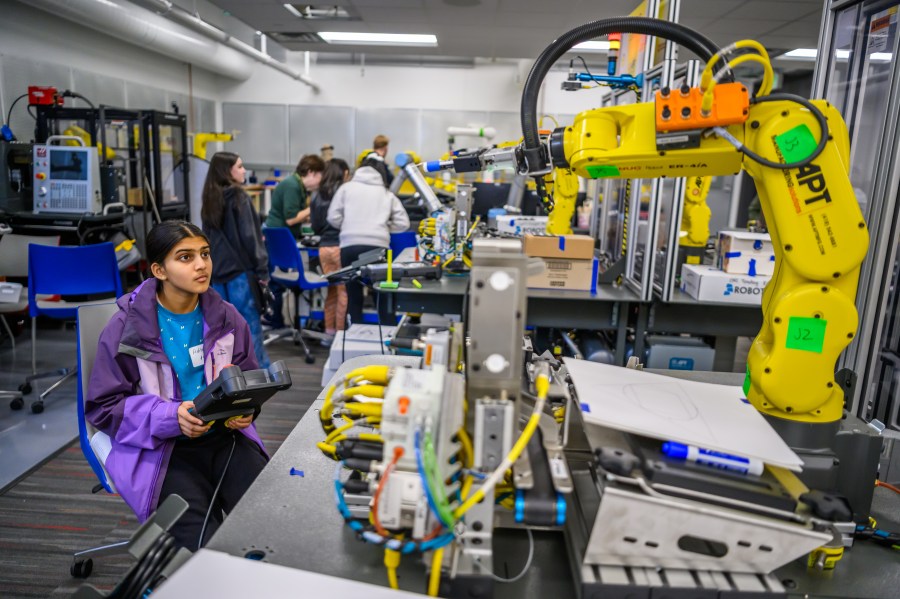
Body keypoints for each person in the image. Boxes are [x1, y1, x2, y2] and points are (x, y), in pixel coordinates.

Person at [85, 221, 269, 551]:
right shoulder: (125, 329)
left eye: (205, 254)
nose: (201, 265)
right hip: (161, 449)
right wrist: (171, 417)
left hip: (224, 437)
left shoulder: (228, 318)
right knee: (205, 548)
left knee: (270, 525)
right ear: (159, 270)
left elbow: (248, 375)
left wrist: (246, 409)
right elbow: (104, 407)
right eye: (185, 257)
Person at [201, 151, 270, 368]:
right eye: (239, 166)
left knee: (224, 332)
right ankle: (260, 375)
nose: (244, 171)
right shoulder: (239, 197)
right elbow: (251, 239)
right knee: (250, 329)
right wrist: (263, 271)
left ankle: (232, 376)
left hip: (218, 275)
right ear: (227, 171)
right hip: (241, 274)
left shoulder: (209, 199)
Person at [327, 165, 410, 326]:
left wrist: (349, 226)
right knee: (382, 293)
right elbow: (403, 223)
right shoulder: (386, 193)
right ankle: (387, 333)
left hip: (350, 245)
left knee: (353, 293)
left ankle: (354, 332)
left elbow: (332, 217)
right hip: (377, 246)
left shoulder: (346, 188)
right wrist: (384, 228)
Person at [265, 154, 325, 328]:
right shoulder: (292, 185)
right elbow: (291, 218)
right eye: (320, 177)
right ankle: (275, 320)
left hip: (281, 239)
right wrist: (313, 207)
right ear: (311, 172)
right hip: (281, 239)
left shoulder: (297, 186)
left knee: (277, 282)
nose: (320, 182)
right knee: (277, 284)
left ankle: (276, 320)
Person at [310, 159, 350, 336]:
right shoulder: (344, 192)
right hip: (340, 247)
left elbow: (316, 227)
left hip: (324, 249)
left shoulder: (317, 195)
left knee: (332, 291)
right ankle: (340, 335)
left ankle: (329, 333)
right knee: (344, 292)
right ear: (344, 173)